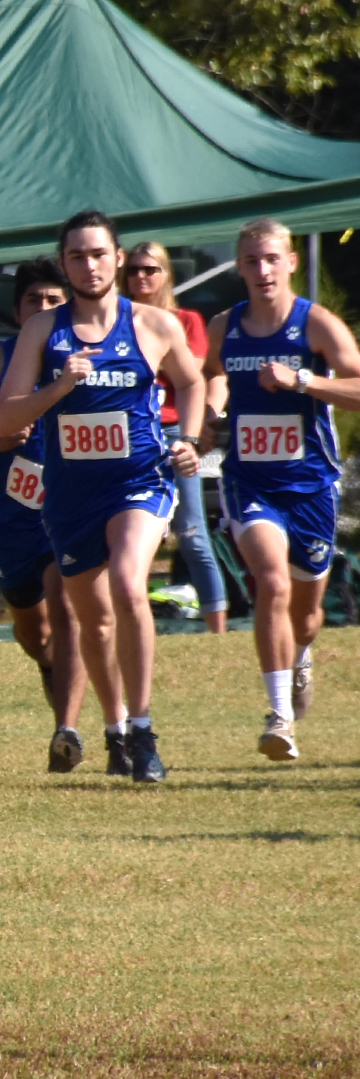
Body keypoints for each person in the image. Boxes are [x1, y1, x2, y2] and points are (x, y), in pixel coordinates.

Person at [0, 209, 205, 784]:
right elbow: (8, 413)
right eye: (76, 256)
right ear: (64, 265)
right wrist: (59, 386)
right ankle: (115, 730)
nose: (89, 265)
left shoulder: (153, 326)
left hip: (137, 480)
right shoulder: (44, 332)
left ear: (117, 258)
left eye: (98, 254)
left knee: (128, 585)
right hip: (69, 493)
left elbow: (190, 381)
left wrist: (186, 438)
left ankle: (143, 729)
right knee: (95, 622)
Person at [202, 217, 360, 762]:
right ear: (240, 267)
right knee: (270, 581)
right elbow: (209, 370)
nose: (262, 270)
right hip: (251, 481)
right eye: (251, 261)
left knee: (306, 612)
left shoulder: (314, 324)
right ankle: (279, 717)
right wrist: (211, 404)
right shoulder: (227, 325)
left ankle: (302, 655)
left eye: (272, 259)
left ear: (291, 262)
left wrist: (304, 381)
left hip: (310, 485)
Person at [0, 257, 90, 769]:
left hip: (68, 515)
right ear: (17, 309)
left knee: (66, 604)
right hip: (13, 523)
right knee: (33, 632)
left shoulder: (85, 364)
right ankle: (50, 665)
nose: (45, 309)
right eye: (34, 301)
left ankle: (65, 731)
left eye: (55, 300)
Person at [125, 240, 229, 633]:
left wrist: (193, 431)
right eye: (133, 269)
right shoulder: (117, 320)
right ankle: (133, 622)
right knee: (129, 536)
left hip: (173, 431)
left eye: (150, 269)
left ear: (166, 274)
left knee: (191, 532)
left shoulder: (185, 321)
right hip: (131, 431)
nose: (141, 277)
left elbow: (192, 371)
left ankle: (217, 626)